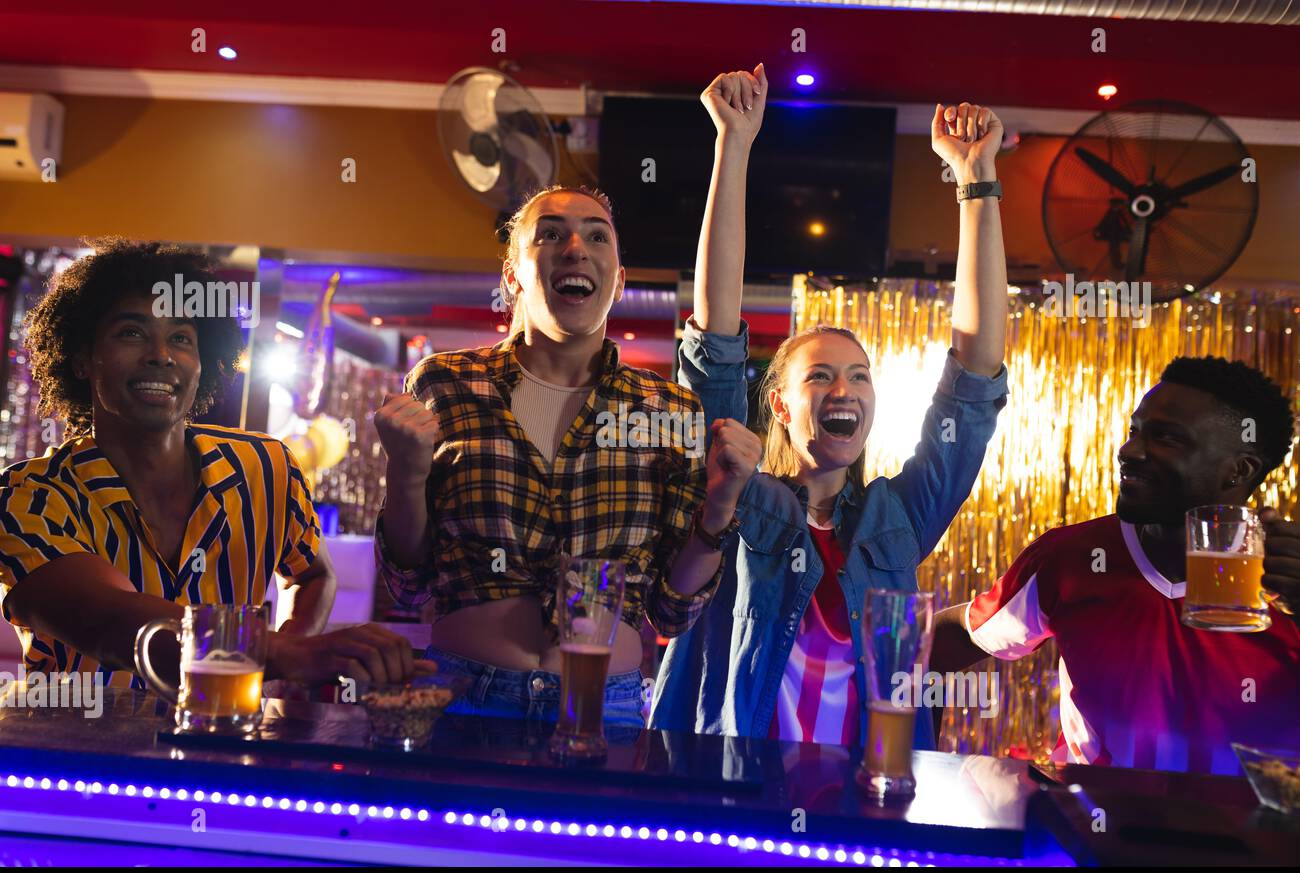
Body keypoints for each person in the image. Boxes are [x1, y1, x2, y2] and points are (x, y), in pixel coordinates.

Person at [650, 65, 1010, 748]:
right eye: (821, 376)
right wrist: (733, 144)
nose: (845, 390)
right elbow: (716, 336)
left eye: (860, 376)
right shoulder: (736, 493)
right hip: (737, 803)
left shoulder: (896, 517)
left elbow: (975, 374)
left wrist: (976, 181)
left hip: (866, 806)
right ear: (781, 404)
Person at [373, 186, 750, 727]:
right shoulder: (445, 382)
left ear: (617, 281)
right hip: (462, 695)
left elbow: (672, 609)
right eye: (549, 234)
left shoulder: (668, 408)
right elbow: (410, 584)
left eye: (598, 235)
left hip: (603, 708)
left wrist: (718, 510)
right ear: (512, 275)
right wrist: (405, 475)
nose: (575, 247)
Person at [0, 238, 428, 692]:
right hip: (81, 753)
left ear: (203, 363)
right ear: (83, 358)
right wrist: (282, 653)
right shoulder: (30, 497)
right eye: (132, 332)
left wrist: (277, 668)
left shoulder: (265, 466)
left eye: (181, 338)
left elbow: (314, 575)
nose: (161, 355)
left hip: (221, 743)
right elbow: (107, 618)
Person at [930, 357, 1300, 774]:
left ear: (1238, 470)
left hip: (1254, 836)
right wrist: (921, 761)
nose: (1129, 451)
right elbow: (943, 642)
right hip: (1095, 826)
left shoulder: (1287, 581)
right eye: (1135, 431)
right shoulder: (1072, 557)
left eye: (1166, 438)